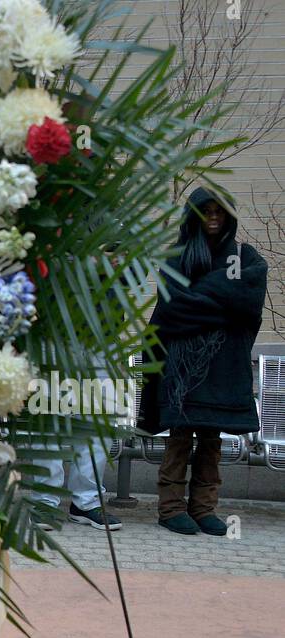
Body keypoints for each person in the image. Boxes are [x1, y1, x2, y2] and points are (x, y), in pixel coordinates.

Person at [140, 188, 267, 536]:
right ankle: (170, 508)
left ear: (228, 215)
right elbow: (174, 309)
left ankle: (204, 508)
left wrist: (203, 296)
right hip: (182, 366)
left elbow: (248, 304)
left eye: (219, 211)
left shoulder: (243, 256)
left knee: (212, 438)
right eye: (205, 211)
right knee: (180, 435)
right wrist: (224, 301)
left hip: (223, 365)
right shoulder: (178, 256)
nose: (213, 217)